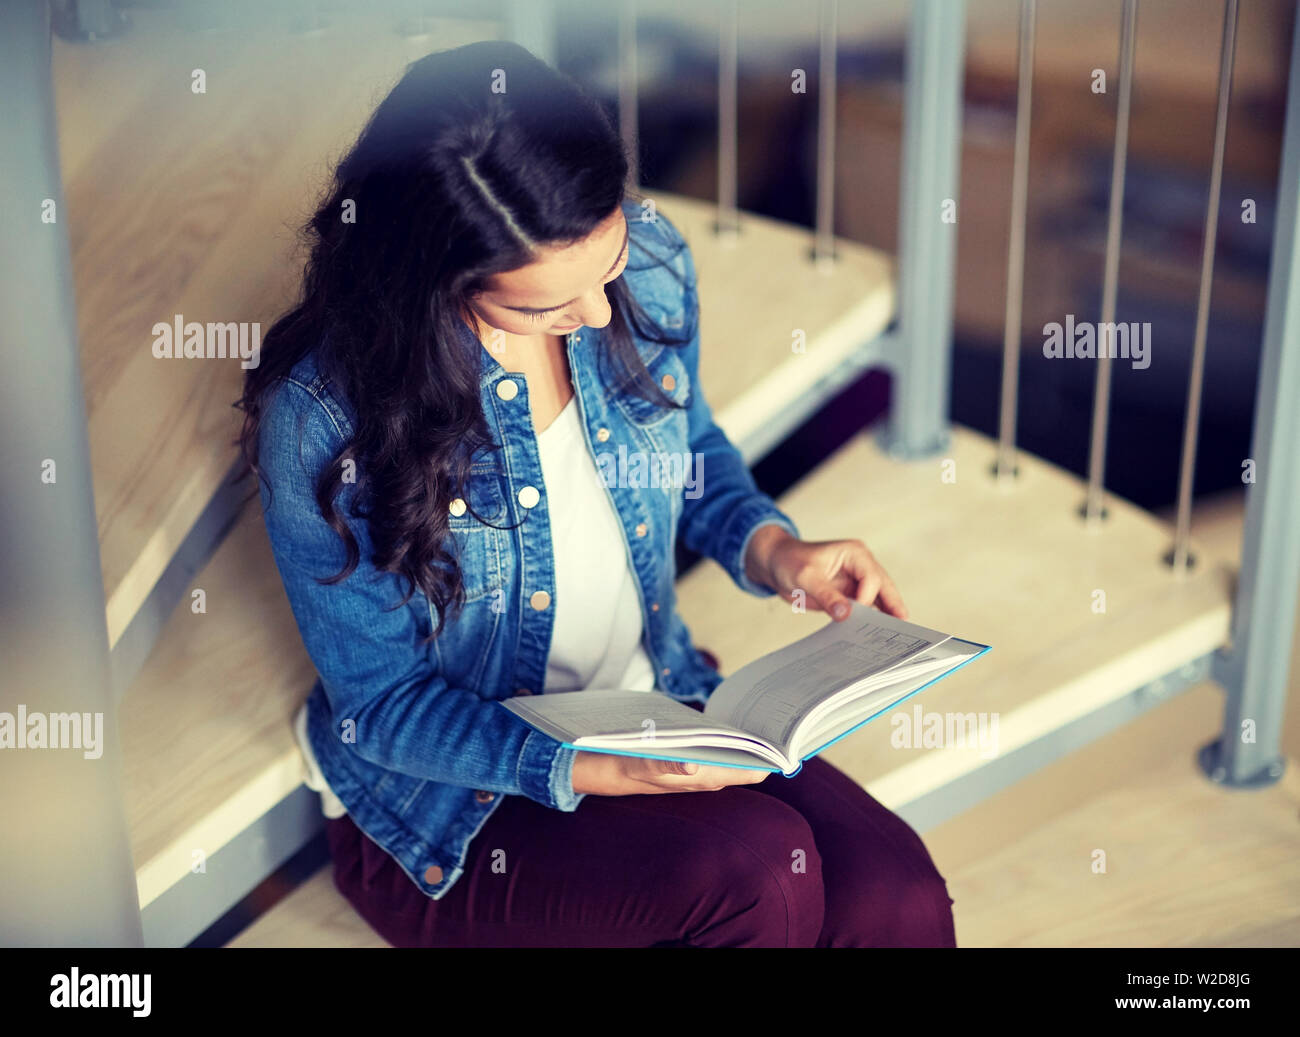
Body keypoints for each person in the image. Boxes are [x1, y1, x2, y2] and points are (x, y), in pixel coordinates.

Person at [236, 39, 956, 948]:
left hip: (658, 707)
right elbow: (381, 706)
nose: (601, 317)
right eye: (543, 308)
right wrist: (575, 763)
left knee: (900, 899)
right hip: (456, 804)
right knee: (759, 880)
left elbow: (685, 446)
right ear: (432, 285)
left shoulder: (648, 258)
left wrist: (774, 549)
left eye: (603, 266)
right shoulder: (324, 419)